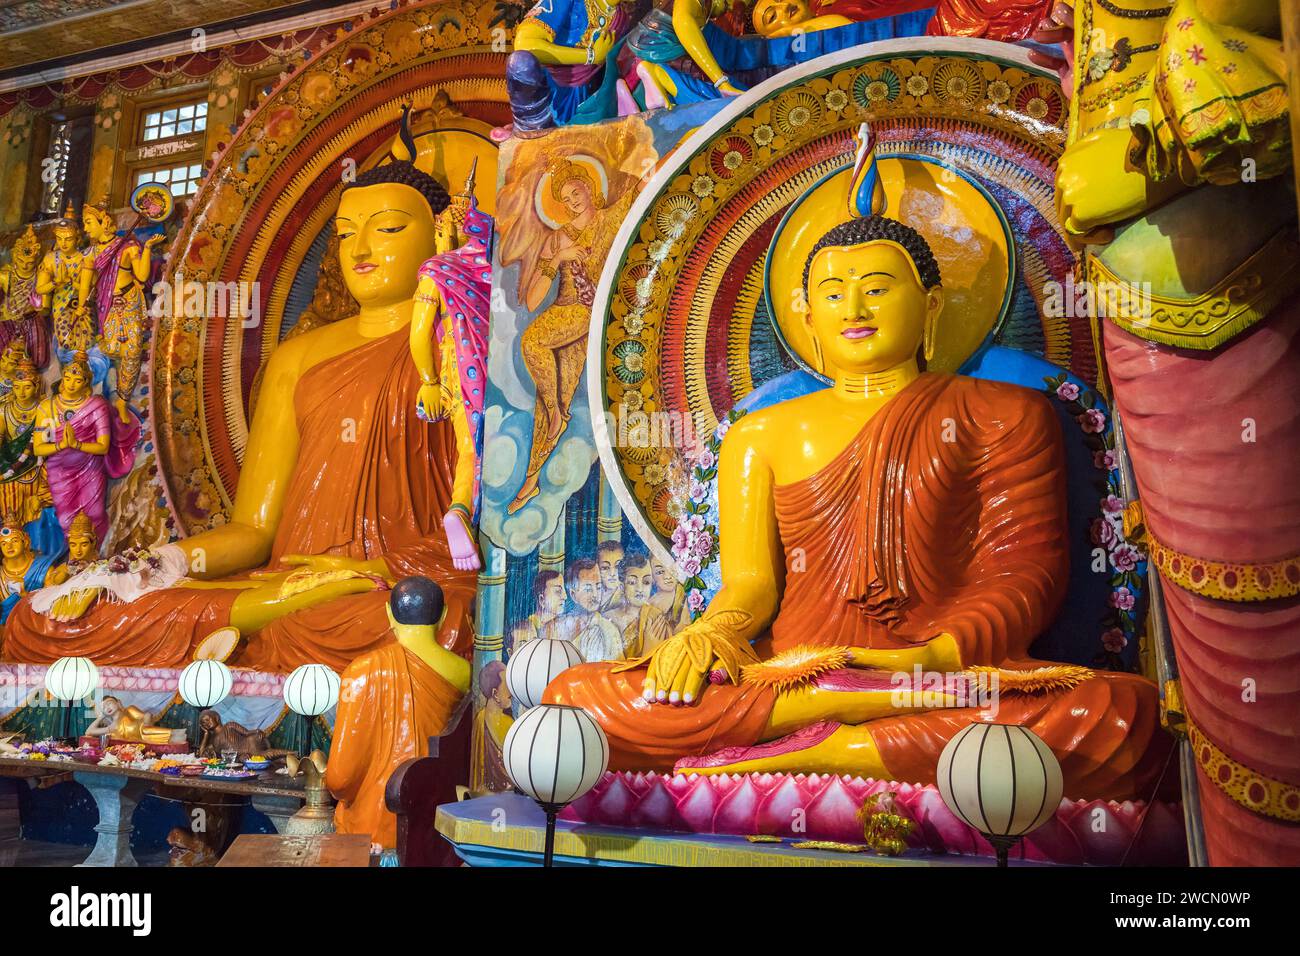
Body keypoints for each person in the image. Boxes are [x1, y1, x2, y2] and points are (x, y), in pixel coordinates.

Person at [546, 214, 1169, 801]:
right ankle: (842, 715)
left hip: (945, 676)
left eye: (876, 287)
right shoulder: (759, 435)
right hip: (797, 678)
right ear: (808, 316)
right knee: (576, 700)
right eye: (833, 292)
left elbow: (1025, 577)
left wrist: (927, 662)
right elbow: (752, 585)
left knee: (1122, 717)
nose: (854, 309)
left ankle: (811, 751)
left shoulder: (1006, 414)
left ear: (929, 305)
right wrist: (710, 632)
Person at [1, 115, 475, 672]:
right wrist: (146, 567)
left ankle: (280, 614)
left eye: (389, 228)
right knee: (46, 614)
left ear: (445, 232)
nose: (361, 249)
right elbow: (253, 530)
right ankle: (272, 608)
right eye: (347, 234)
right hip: (279, 581)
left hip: (387, 587)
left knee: (425, 620)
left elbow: (473, 497)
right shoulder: (296, 358)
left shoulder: (460, 342)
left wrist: (370, 577)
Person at [328, 577, 471, 850]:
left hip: (372, 825)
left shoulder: (361, 671)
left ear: (388, 614)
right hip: (434, 821)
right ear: (442, 616)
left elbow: (340, 777)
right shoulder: (465, 673)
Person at [552, 558, 625, 661]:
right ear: (573, 594)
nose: (595, 595)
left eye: (598, 587)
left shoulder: (609, 630)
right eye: (588, 589)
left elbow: (618, 668)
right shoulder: (559, 627)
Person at [604, 551, 671, 658]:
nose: (640, 589)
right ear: (622, 586)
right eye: (632, 582)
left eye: (646, 582)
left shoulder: (656, 618)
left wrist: (649, 651)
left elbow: (665, 662)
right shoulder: (607, 619)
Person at [509, 569, 567, 653]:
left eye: (564, 590)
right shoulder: (527, 630)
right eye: (558, 591)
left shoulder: (562, 625)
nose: (565, 597)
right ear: (542, 599)